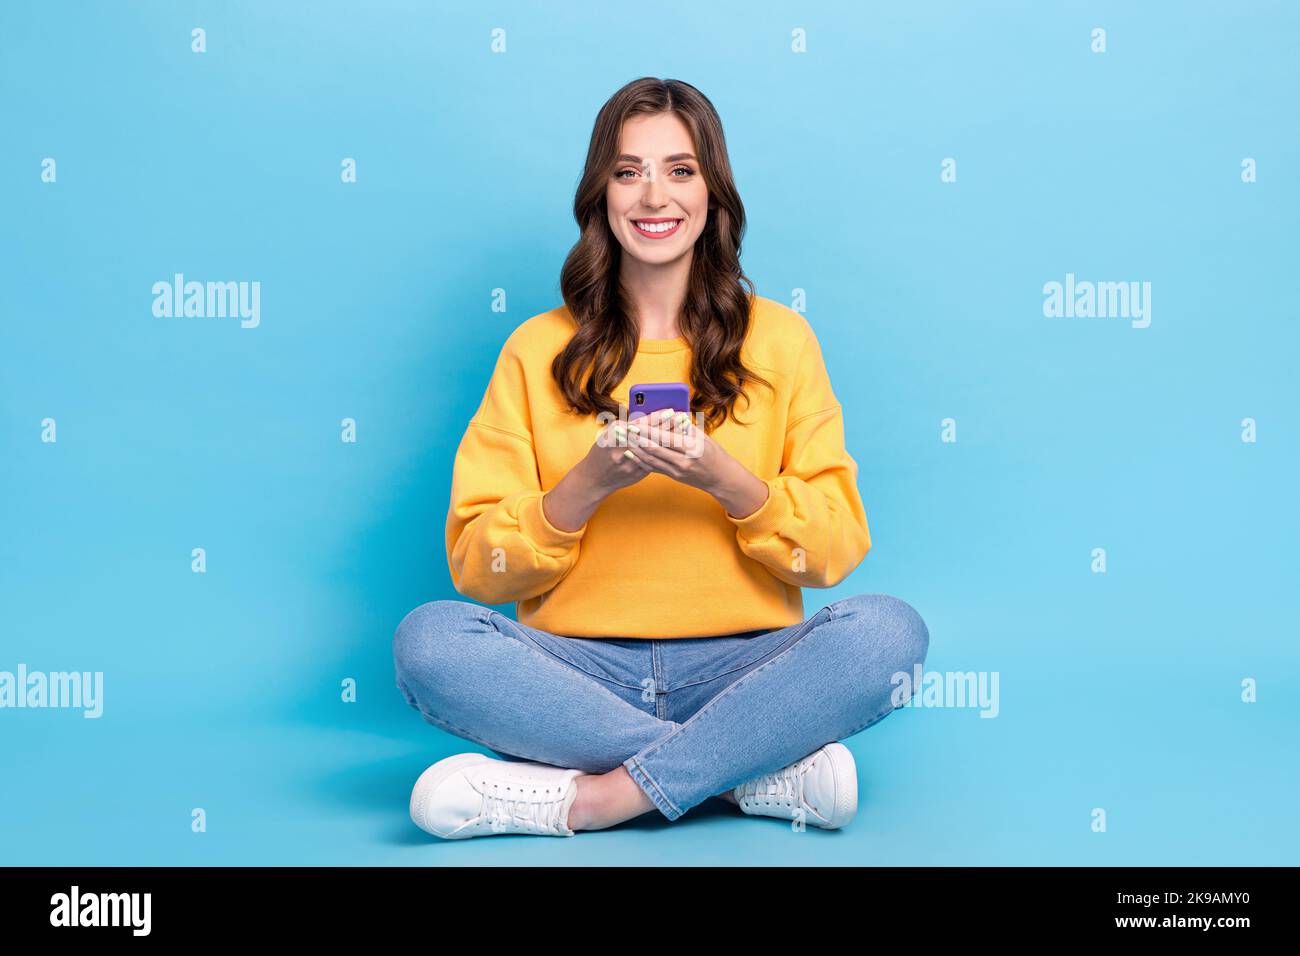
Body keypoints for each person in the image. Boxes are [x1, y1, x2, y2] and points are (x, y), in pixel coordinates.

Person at [392, 77, 929, 840]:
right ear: (600, 194)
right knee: (428, 640)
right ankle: (744, 776)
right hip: (577, 675)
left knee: (888, 632)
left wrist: (726, 480)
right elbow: (479, 569)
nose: (654, 196)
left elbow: (834, 550)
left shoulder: (779, 341)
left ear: (713, 192)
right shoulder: (535, 349)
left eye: (680, 170)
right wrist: (586, 486)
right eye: (627, 171)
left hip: (745, 674)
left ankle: (595, 799)